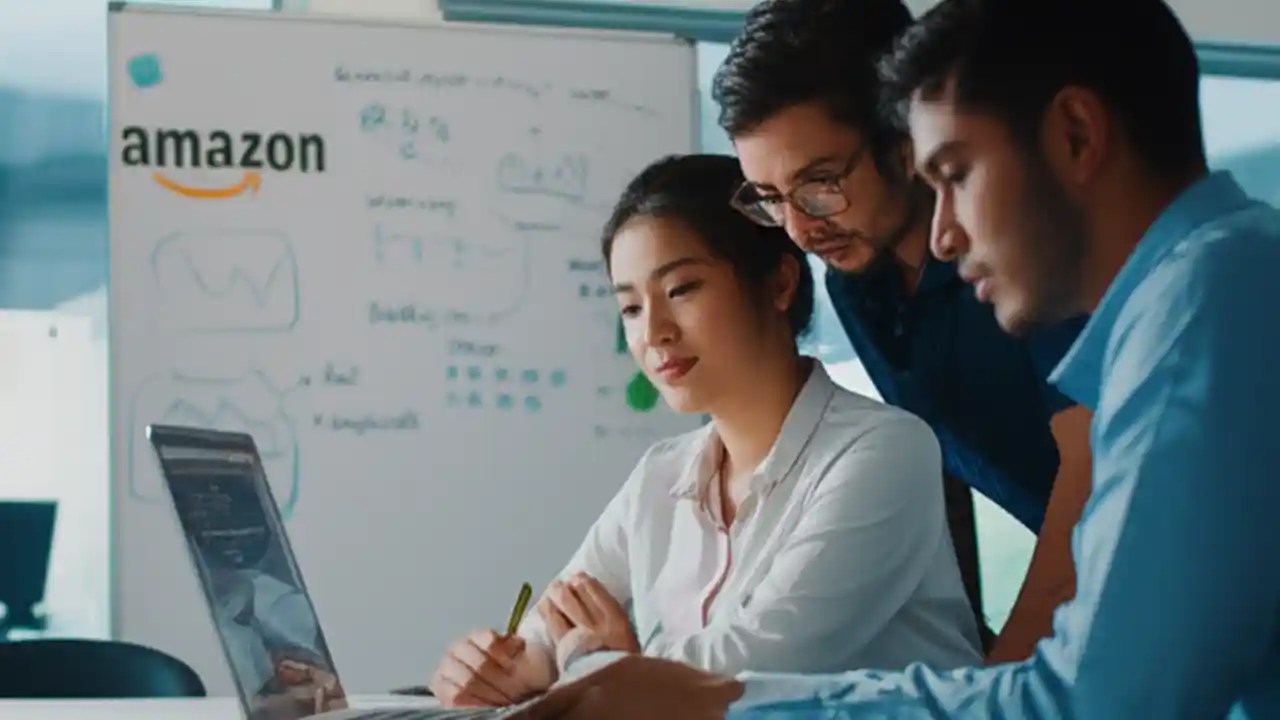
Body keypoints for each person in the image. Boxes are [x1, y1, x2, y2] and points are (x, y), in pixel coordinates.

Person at [504, 0, 1280, 717]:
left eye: (955, 174)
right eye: (771, 199)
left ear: (1076, 135)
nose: (945, 236)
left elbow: (1095, 698)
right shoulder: (1203, 285)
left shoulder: (1199, 310)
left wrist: (724, 702)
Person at [427, 154, 982, 708]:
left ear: (780, 281)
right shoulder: (661, 477)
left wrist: (601, 665)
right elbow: (555, 627)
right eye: (630, 308)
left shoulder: (882, 451)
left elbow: (752, 670)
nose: (655, 333)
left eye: (683, 288)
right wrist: (499, 667)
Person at [710, 0, 1094, 661]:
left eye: (821, 184)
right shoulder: (856, 286)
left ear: (904, 143)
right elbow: (927, 468)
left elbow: (1089, 479)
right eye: (770, 198)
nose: (802, 229)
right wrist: (966, 642)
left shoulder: (1022, 255)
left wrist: (1004, 676)